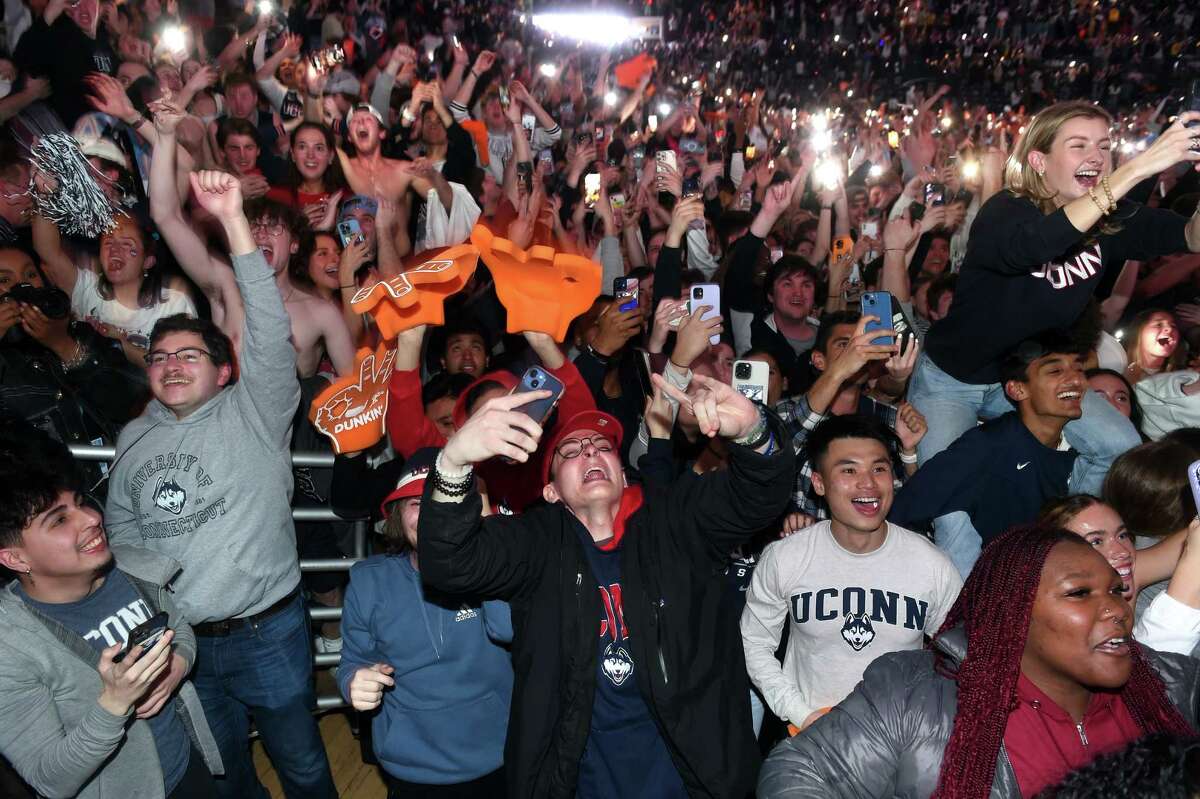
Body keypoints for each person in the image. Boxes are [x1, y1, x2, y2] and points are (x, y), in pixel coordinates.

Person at [417, 372, 794, 797]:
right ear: (551, 491)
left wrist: (754, 433)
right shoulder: (535, 543)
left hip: (694, 773)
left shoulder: (677, 520)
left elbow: (758, 495)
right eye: (571, 451)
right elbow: (448, 564)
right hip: (579, 777)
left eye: (602, 446)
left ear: (621, 470)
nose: (591, 452)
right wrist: (453, 463)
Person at [104, 171, 336, 799]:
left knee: (305, 767)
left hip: (269, 631)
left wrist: (235, 220)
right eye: (159, 358)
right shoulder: (134, 440)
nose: (170, 365)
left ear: (226, 369)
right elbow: (119, 532)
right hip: (185, 645)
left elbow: (266, 324)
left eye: (187, 356)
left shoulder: (254, 407)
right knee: (226, 776)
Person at [757, 524, 1199, 798]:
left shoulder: (1173, 687)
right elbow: (800, 773)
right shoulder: (918, 695)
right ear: (1014, 613)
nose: (1116, 610)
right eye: (1080, 593)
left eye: (1117, 590)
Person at [910, 101, 1200, 491]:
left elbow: (1191, 237)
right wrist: (1139, 168)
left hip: (1036, 375)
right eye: (1079, 145)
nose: (1096, 157)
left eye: (1104, 146)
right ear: (1039, 160)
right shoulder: (1006, 210)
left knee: (1119, 446)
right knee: (950, 501)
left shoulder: (1112, 219)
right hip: (955, 379)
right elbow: (1038, 245)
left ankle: (1065, 532)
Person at [0, 457, 222, 798]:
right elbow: (49, 780)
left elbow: (177, 625)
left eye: (80, 503)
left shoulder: (129, 566)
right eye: (59, 520)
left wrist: (178, 664)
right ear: (15, 559)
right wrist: (116, 702)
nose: (92, 518)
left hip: (187, 767)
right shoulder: (9, 647)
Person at [741, 414, 961, 735]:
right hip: (809, 739)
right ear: (818, 483)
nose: (868, 483)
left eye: (879, 468)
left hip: (901, 744)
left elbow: (962, 655)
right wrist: (800, 713)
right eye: (848, 470)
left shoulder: (932, 564)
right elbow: (755, 643)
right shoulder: (786, 557)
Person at [337, 449, 514, 797]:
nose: (433, 513)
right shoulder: (369, 582)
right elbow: (353, 661)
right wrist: (352, 681)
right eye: (417, 503)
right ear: (399, 516)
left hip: (498, 754)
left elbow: (508, 629)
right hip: (413, 767)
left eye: (444, 499)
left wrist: (489, 543)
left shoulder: (503, 565)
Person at [891, 330, 1100, 575]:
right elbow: (907, 509)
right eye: (1055, 371)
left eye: (1078, 370)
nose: (1075, 380)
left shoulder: (1089, 455)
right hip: (991, 592)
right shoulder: (988, 446)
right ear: (1017, 390)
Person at [777, 313, 925, 519]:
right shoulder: (785, 410)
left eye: (864, 344)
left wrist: (908, 453)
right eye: (844, 345)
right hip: (806, 541)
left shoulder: (890, 418)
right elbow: (779, 455)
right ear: (819, 360)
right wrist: (840, 371)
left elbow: (912, 505)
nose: (858, 351)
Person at [34, 211, 196, 367]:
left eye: (127, 244)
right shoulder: (87, 289)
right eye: (108, 242)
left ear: (147, 261)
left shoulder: (172, 304)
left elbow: (182, 367)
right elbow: (47, 250)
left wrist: (120, 343)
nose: (114, 250)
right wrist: (44, 193)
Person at [1122, 308, 1185, 383]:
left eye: (1173, 326)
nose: (1169, 329)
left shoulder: (1183, 377)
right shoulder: (1119, 371)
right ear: (1139, 331)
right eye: (1159, 324)